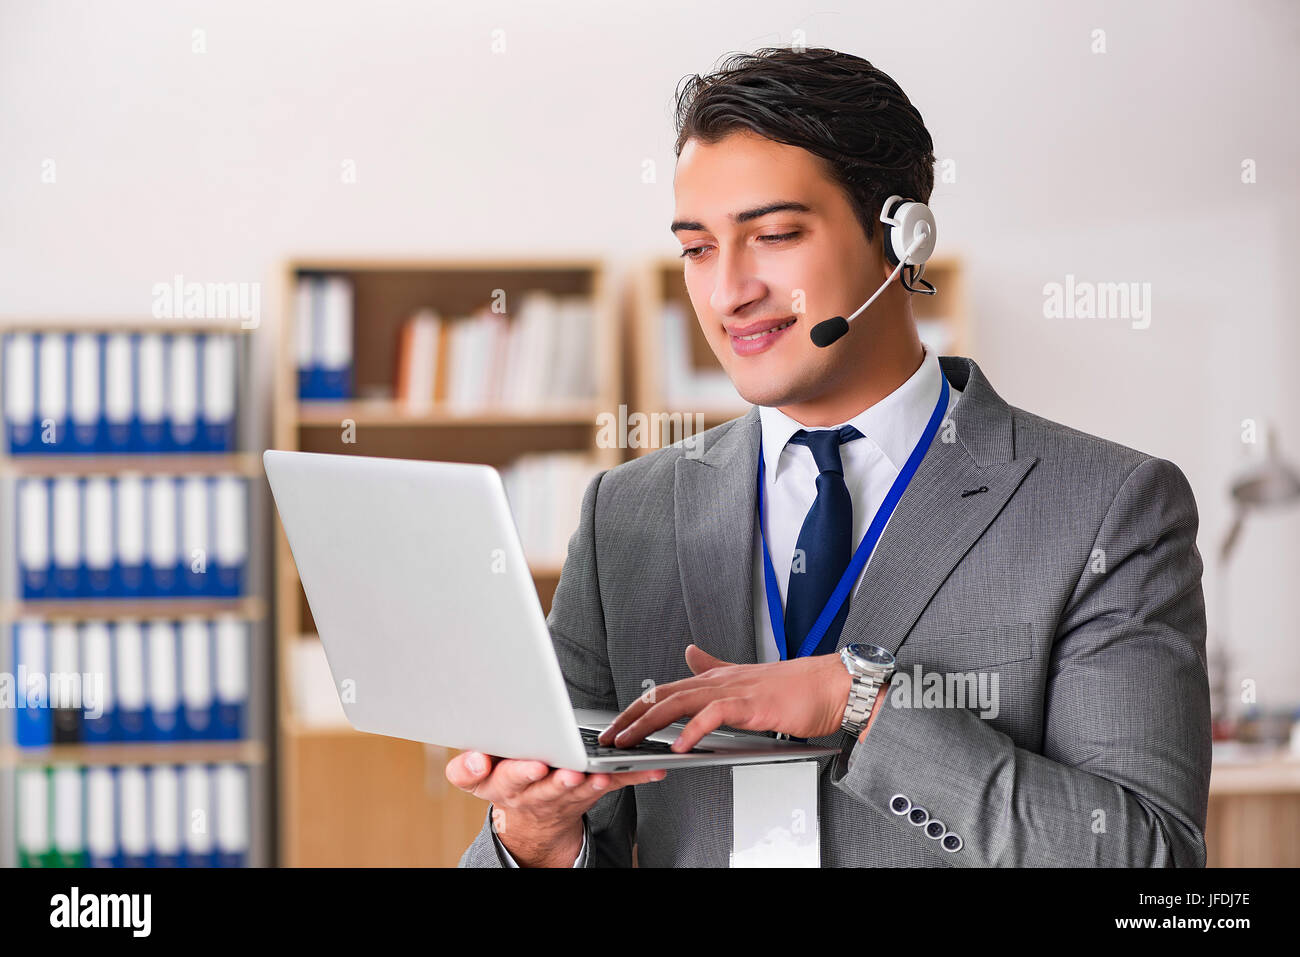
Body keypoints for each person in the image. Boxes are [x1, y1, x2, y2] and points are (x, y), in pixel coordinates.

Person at [448, 46, 1210, 867]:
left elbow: (1151, 859)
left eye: (773, 235)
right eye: (698, 248)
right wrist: (530, 834)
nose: (727, 291)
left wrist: (868, 707)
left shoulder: (1106, 505)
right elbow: (570, 830)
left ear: (902, 236)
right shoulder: (625, 515)